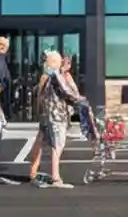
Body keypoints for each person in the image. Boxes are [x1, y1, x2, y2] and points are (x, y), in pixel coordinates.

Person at [30, 50, 85, 189]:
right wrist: (79, 99)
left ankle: (33, 172)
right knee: (58, 145)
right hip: (57, 116)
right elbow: (68, 92)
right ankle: (55, 177)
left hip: (48, 115)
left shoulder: (48, 77)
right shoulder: (56, 76)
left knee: (42, 141)